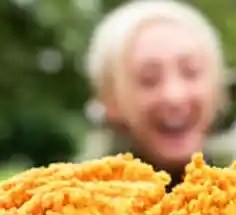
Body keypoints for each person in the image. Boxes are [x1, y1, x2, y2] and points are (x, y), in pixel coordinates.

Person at [83, 0, 227, 186]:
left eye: (190, 72)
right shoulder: (78, 204)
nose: (174, 95)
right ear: (110, 100)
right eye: (149, 79)